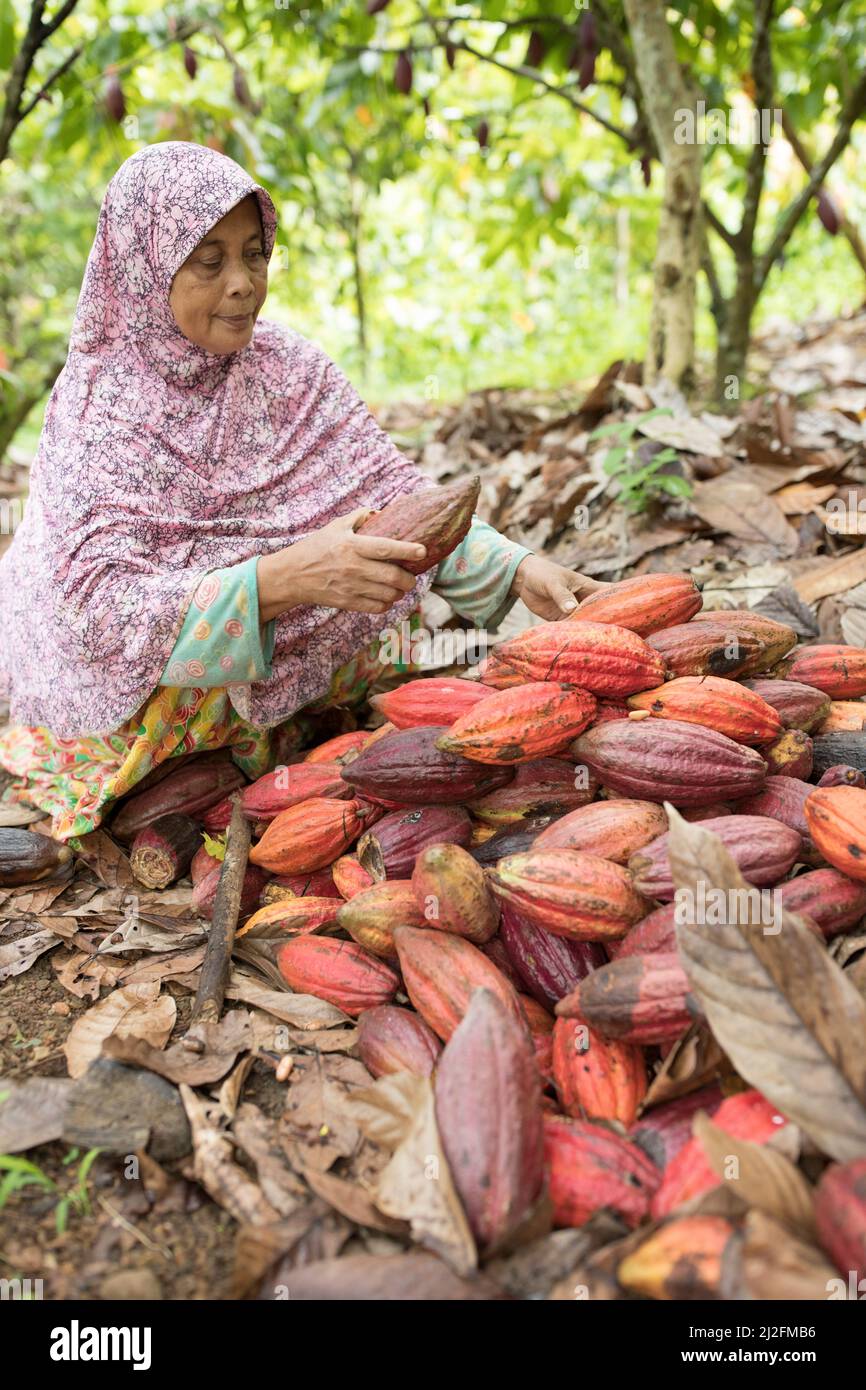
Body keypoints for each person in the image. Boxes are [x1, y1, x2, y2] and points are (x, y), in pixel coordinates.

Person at [0, 141, 603, 844]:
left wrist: (519, 567)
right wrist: (282, 579)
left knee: (388, 641)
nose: (243, 284)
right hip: (147, 686)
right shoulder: (100, 409)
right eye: (209, 260)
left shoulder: (290, 370)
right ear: (143, 268)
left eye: (255, 254)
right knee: (173, 707)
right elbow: (101, 616)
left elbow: (396, 501)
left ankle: (280, 725)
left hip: (291, 659)